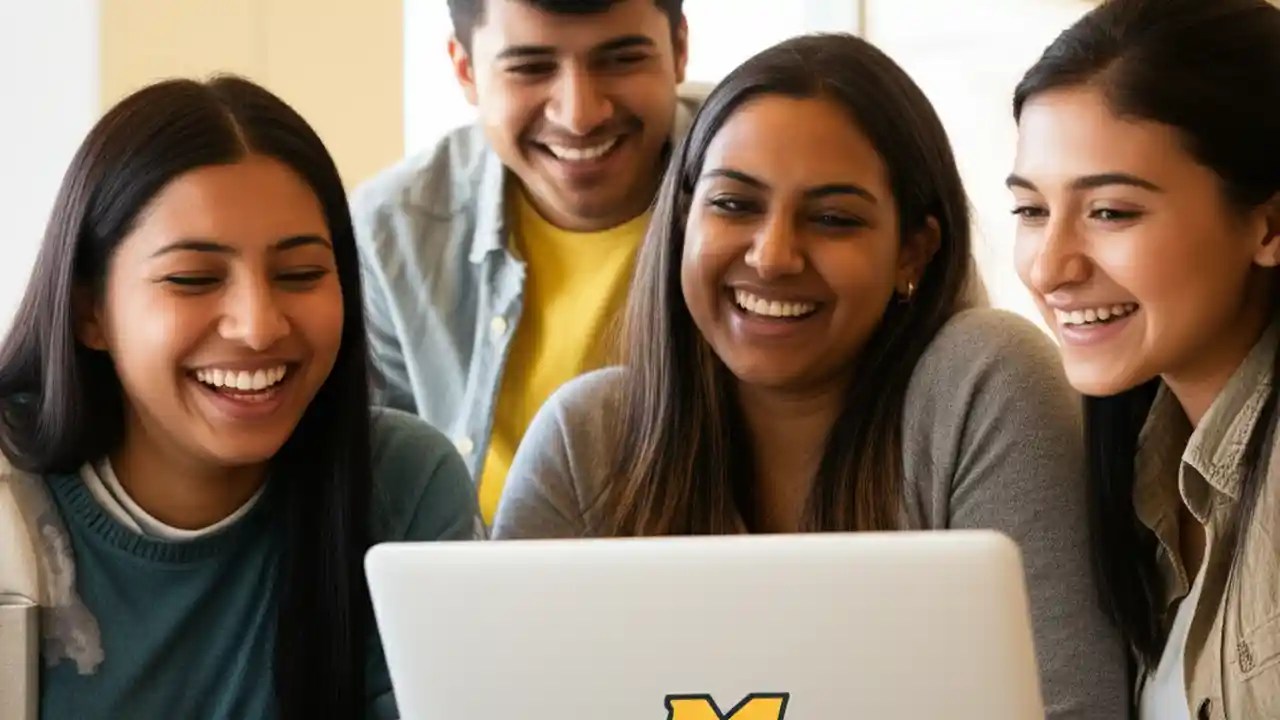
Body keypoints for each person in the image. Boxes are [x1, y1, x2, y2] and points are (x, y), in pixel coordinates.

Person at [492, 33, 1127, 717]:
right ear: (680, 222)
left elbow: (1067, 709)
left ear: (912, 252)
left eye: (832, 218)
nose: (772, 256)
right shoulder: (583, 441)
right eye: (734, 204)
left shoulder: (983, 385)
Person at [0, 76, 478, 720]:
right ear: (91, 311)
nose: (258, 327)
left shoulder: (405, 485)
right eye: (193, 278)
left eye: (301, 274)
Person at [1007, 0, 1280, 716]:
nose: (1049, 267)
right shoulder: (1136, 462)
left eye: (1110, 212)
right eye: (1031, 210)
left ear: (1269, 225)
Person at [352, 0, 699, 526]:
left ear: (679, 49)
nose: (580, 115)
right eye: (531, 68)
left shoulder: (766, 190)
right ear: (465, 70)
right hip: (475, 571)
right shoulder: (392, 232)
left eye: (622, 60)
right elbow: (381, 483)